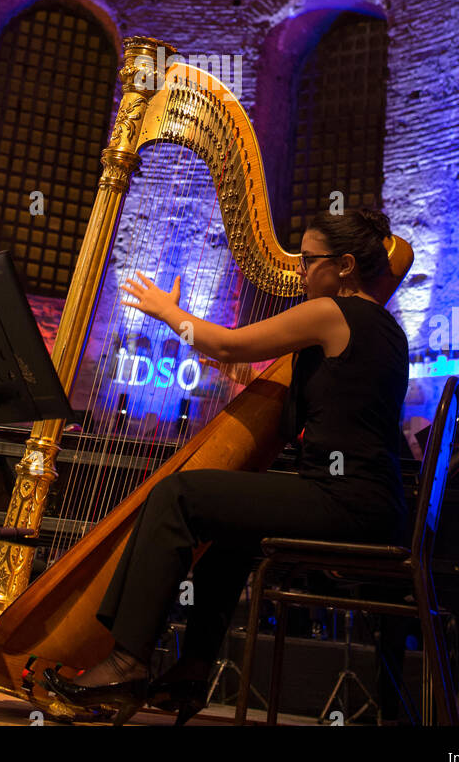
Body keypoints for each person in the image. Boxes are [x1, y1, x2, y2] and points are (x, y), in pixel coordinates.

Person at [42, 206, 410, 725]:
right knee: (229, 532)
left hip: (345, 502)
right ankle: (192, 671)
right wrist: (241, 375)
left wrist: (166, 311)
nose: (300, 272)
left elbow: (223, 340)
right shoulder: (381, 330)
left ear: (346, 265)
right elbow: (309, 416)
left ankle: (126, 662)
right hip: (368, 504)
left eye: (308, 261)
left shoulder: (335, 312)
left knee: (177, 496)